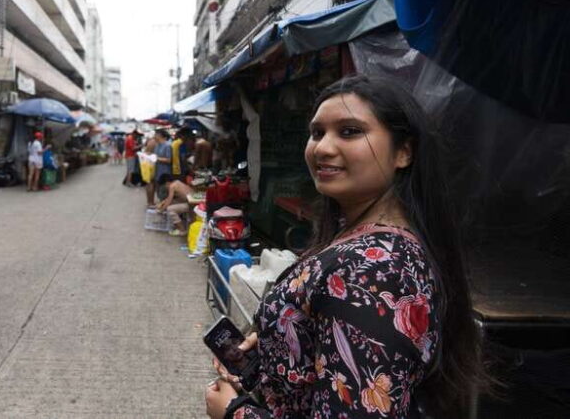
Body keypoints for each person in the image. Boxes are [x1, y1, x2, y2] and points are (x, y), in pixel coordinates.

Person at [205, 75, 485, 418]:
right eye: (317, 132)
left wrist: (234, 412)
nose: (322, 148)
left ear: (404, 152)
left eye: (350, 131)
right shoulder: (362, 241)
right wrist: (275, 346)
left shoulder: (373, 270)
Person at [149, 129, 173, 207]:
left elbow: (169, 160)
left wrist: (157, 158)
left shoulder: (167, 145)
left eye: (156, 134)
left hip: (165, 173)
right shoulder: (157, 145)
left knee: (164, 192)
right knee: (159, 192)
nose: (154, 136)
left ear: (161, 136)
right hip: (157, 172)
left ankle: (165, 209)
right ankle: (162, 207)